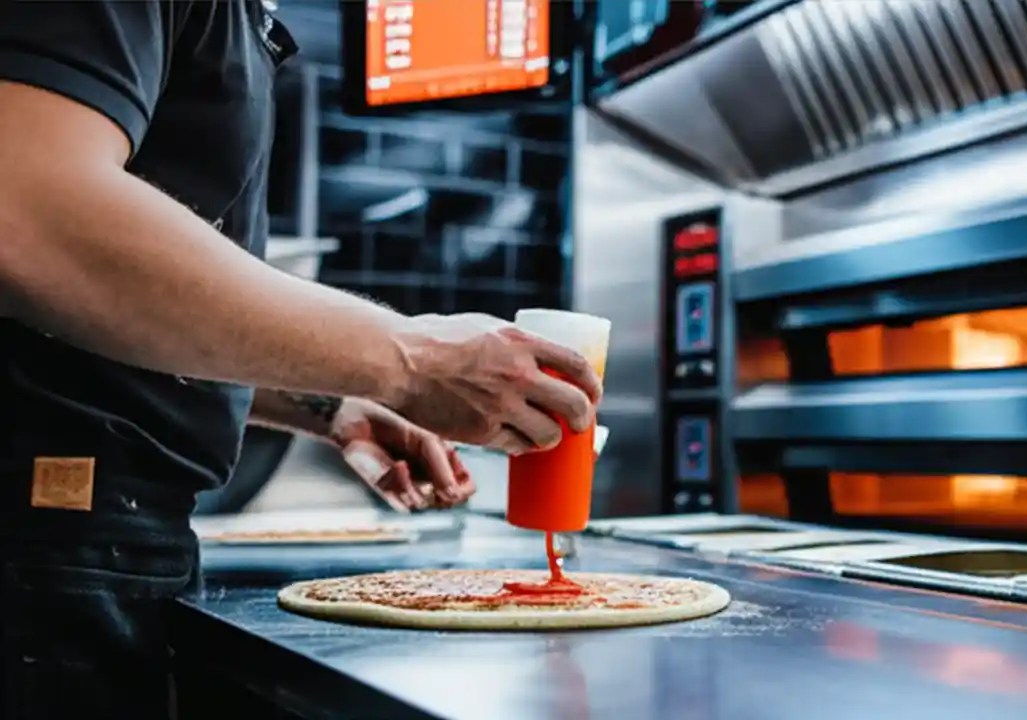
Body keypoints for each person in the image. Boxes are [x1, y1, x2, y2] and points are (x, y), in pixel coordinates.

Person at [0, 1, 602, 717]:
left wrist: (332, 401)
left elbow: (110, 314)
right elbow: (27, 213)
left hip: (87, 546)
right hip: (40, 544)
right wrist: (408, 361)